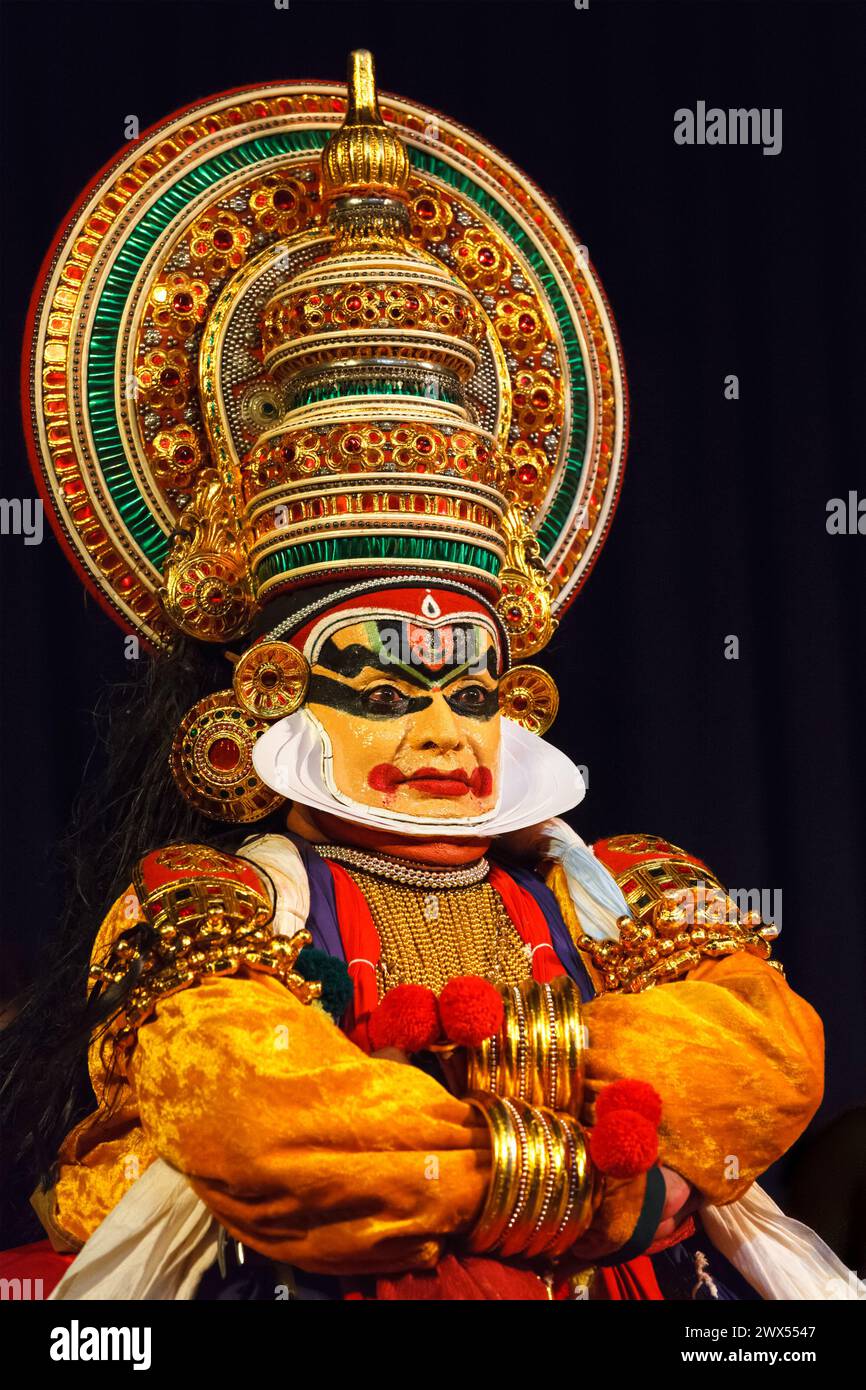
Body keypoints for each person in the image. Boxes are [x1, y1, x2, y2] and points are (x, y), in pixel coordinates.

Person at [3, 50, 860, 1302]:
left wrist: (521, 1169)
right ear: (271, 703)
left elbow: (756, 1054)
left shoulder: (618, 886)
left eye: (469, 687)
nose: (446, 728)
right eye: (386, 687)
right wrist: (569, 1176)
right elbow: (263, 1119)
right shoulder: (208, 901)